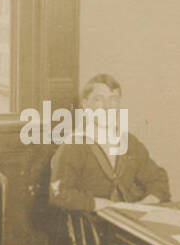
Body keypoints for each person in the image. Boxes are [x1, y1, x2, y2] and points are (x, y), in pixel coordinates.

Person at [49, 73, 170, 211]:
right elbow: (58, 193)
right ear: (85, 104)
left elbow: (158, 179)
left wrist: (146, 203)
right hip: (93, 224)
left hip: (128, 219)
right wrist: (93, 204)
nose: (106, 107)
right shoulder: (73, 146)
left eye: (113, 100)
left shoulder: (129, 142)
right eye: (98, 100)